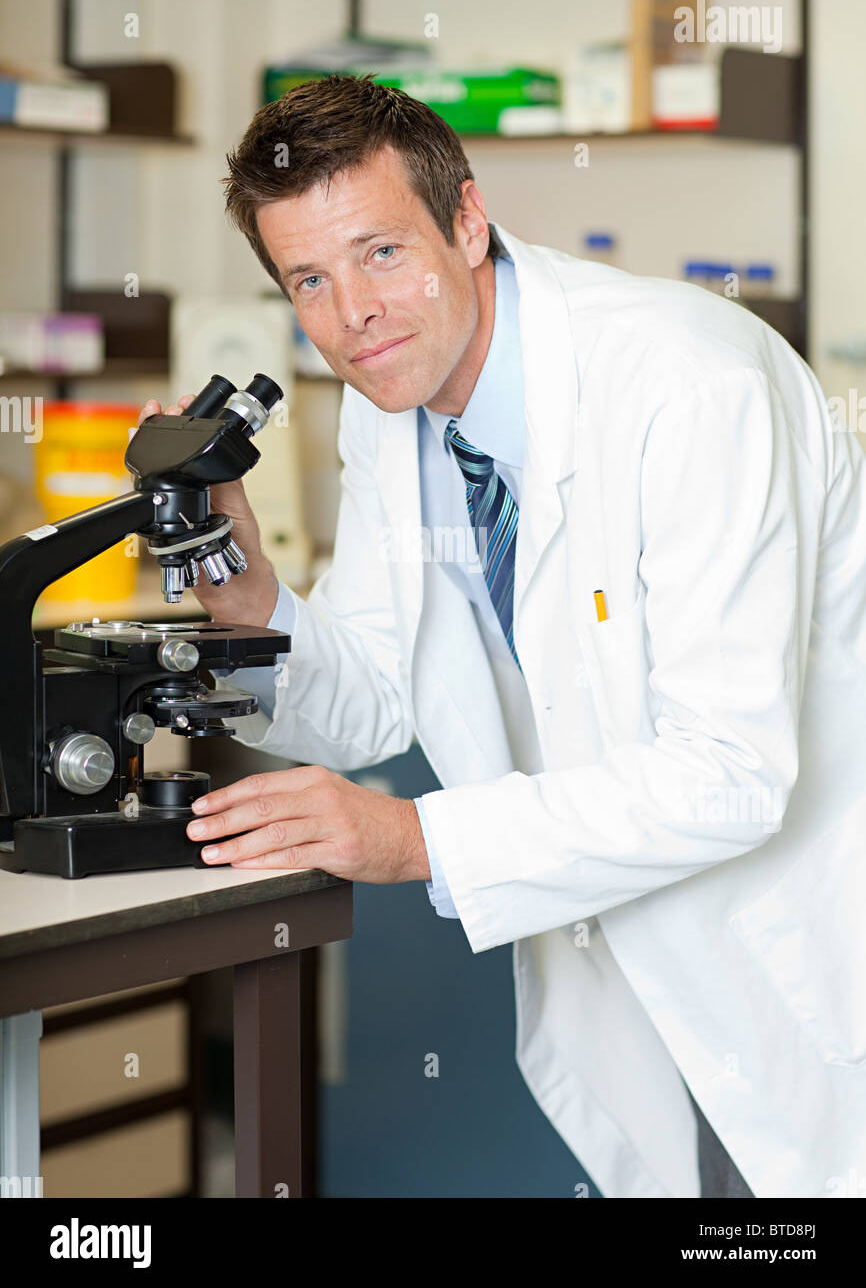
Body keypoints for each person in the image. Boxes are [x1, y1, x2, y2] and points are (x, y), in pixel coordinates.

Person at [139, 73, 866, 1199]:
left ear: (466, 220)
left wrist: (410, 838)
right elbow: (382, 691)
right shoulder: (399, 410)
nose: (353, 316)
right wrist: (250, 603)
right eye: (310, 282)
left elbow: (728, 775)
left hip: (793, 973)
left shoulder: (688, 385)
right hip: (630, 973)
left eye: (381, 252)